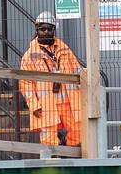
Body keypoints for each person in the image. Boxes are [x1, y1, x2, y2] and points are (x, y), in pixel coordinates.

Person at [18, 11, 84, 148]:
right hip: (46, 104)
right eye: (42, 29)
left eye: (49, 28)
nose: (46, 31)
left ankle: (70, 160)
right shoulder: (29, 56)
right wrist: (34, 106)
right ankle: (52, 165)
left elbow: (79, 72)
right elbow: (26, 84)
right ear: (37, 30)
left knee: (79, 132)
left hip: (68, 102)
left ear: (54, 29)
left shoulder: (65, 50)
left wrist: (85, 95)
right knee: (48, 138)